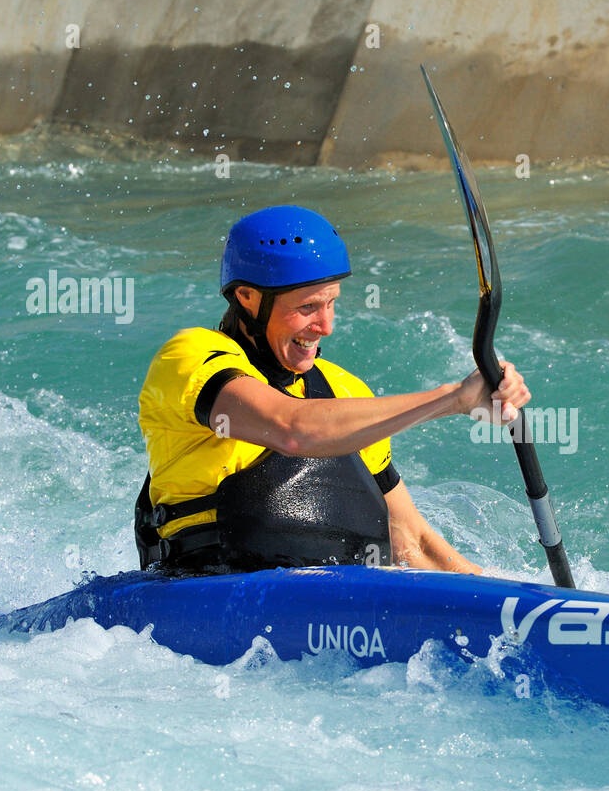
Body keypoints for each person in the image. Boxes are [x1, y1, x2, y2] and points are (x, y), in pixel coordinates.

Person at [134, 205, 530, 575]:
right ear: (247, 297)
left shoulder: (344, 391)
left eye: (332, 304)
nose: (326, 326)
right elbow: (291, 428)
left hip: (334, 610)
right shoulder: (189, 358)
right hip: (207, 592)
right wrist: (454, 398)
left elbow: (411, 542)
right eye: (307, 307)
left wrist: (512, 603)